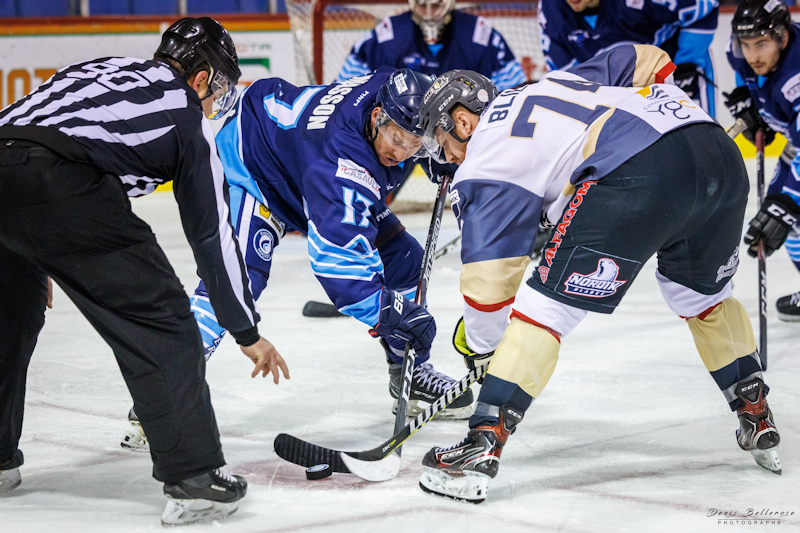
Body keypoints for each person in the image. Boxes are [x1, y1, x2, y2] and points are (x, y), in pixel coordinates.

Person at [414, 45, 781, 503]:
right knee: (701, 298)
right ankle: (757, 414)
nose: (443, 157)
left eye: (439, 142)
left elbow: (488, 289)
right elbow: (645, 58)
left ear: (463, 121)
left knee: (542, 312)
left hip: (635, 174)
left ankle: (479, 447)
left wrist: (487, 356)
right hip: (716, 152)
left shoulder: (484, 156)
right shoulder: (546, 84)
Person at [0, 18, 289, 526]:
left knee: (7, 321)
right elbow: (213, 237)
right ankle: (195, 477)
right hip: (60, 184)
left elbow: (25, 132)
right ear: (202, 79)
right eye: (218, 86)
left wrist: (27, 247)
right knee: (165, 323)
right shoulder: (185, 114)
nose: (215, 100)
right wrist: (245, 329)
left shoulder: (101, 68)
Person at [119, 67, 475, 453]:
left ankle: (409, 370)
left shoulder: (393, 94)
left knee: (404, 260)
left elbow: (419, 127)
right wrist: (391, 313)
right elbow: (341, 273)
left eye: (414, 144)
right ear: (377, 117)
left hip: (298, 162)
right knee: (236, 285)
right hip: (253, 168)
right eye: (395, 139)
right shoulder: (343, 168)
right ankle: (159, 396)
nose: (401, 153)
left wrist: (435, 150)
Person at [724, 0, 800, 322]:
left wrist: (789, 202)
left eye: (762, 44)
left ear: (782, 38)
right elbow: (745, 71)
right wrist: (750, 99)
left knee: (784, 209)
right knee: (782, 216)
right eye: (747, 44)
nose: (753, 55)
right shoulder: (744, 56)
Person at [538, 0, 718, 117]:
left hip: (676, 75)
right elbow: (566, 81)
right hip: (614, 92)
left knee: (700, 147)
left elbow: (706, 7)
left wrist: (685, 64)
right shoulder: (551, 10)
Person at [337, 0, 527, 92]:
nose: (428, 14)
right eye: (422, 5)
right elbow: (343, 91)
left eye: (435, 6)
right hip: (399, 140)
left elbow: (513, 94)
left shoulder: (482, 36)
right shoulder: (386, 36)